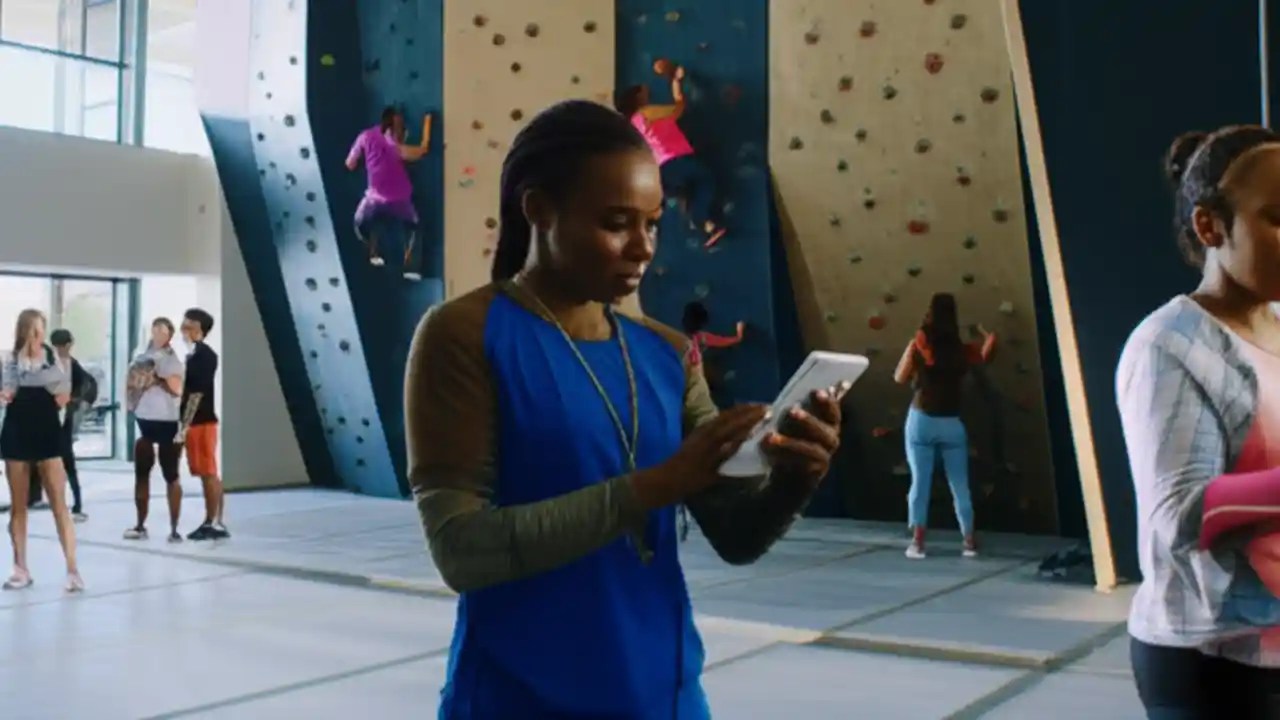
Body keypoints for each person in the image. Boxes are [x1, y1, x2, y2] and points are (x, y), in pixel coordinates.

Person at [405, 99, 847, 719]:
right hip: (517, 700)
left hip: (665, 696)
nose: (642, 248)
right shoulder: (462, 334)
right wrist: (656, 485)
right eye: (616, 222)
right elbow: (460, 550)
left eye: (653, 223)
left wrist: (796, 476)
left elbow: (736, 536)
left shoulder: (667, 354)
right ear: (539, 210)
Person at [1118, 126, 1280, 718]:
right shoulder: (1170, 345)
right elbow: (1181, 516)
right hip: (1212, 666)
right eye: (1278, 219)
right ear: (1210, 227)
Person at [892, 293, 996, 560]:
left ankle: (917, 543)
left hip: (921, 420)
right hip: (952, 423)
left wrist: (911, 351)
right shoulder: (961, 350)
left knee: (920, 482)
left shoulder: (920, 344)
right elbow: (984, 357)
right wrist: (988, 338)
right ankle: (969, 541)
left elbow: (899, 378)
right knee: (960, 484)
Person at [0, 309, 82, 592]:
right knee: (18, 505)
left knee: (59, 503)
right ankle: (20, 569)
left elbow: (62, 396)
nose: (36, 337)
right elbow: (6, 394)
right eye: (32, 331)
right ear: (22, 331)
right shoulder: (10, 360)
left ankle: (72, 570)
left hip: (47, 433)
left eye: (40, 331)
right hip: (16, 432)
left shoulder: (54, 360)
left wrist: (41, 373)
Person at [617, 63, 727, 248]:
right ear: (637, 99)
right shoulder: (646, 113)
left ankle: (707, 226)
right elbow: (678, 109)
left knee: (691, 192)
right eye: (644, 93)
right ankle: (700, 221)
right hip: (675, 160)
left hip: (663, 168)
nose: (648, 94)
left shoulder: (634, 123)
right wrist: (676, 81)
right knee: (704, 179)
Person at [346, 105, 432, 280]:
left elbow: (350, 164)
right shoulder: (394, 144)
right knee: (414, 228)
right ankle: (411, 268)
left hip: (375, 197)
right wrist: (427, 122)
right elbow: (422, 151)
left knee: (360, 223)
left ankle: (374, 251)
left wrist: (367, 161)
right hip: (400, 198)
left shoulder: (365, 137)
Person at [124, 318, 186, 542]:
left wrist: (158, 379)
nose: (158, 333)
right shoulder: (141, 355)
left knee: (171, 474)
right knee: (141, 474)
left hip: (168, 422)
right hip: (145, 420)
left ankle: (174, 528)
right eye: (155, 329)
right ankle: (140, 524)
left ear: (170, 334)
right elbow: (131, 383)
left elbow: (177, 388)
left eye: (163, 330)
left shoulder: (173, 359)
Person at [180, 308, 227, 541]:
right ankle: (215, 521)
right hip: (197, 423)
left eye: (189, 326)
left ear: (200, 330)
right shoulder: (193, 355)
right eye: (184, 325)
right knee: (206, 472)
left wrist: (184, 425)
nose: (183, 330)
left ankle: (212, 522)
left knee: (208, 472)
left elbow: (196, 394)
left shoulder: (204, 356)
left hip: (202, 422)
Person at [50, 329, 91, 522]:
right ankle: (71, 504)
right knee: (60, 464)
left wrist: (74, 402)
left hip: (62, 420)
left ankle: (76, 504)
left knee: (67, 463)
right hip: (52, 419)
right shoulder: (50, 365)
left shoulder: (72, 366)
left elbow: (85, 387)